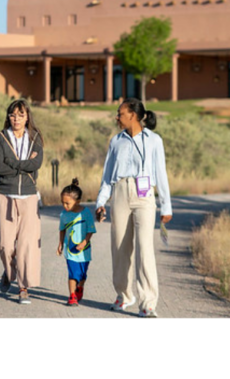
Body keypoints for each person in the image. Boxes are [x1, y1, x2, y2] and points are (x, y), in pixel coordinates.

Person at [94, 97, 172, 317]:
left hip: (144, 195)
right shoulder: (115, 141)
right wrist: (101, 202)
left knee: (144, 248)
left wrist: (166, 206)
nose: (117, 117)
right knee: (119, 248)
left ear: (133, 116)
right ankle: (124, 296)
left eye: (120, 113)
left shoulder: (154, 140)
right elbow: (107, 176)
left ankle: (148, 303)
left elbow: (161, 174)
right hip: (119, 192)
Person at [0, 98, 43, 303]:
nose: (16, 119)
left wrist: (13, 162)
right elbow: (0, 168)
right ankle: (9, 272)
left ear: (27, 116)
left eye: (21, 115)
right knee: (5, 245)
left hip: (29, 196)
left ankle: (23, 287)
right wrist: (24, 164)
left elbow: (36, 164)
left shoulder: (35, 139)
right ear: (8, 117)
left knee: (26, 245)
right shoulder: (0, 138)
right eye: (12, 115)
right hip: (5, 195)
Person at [55, 177, 97, 305]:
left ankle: (80, 287)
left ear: (78, 201)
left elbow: (91, 229)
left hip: (84, 251)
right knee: (73, 273)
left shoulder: (86, 213)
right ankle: (72, 295)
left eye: (67, 203)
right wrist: (60, 244)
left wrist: (84, 242)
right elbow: (62, 230)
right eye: (63, 203)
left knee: (82, 274)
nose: (64, 206)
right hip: (70, 250)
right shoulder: (64, 215)